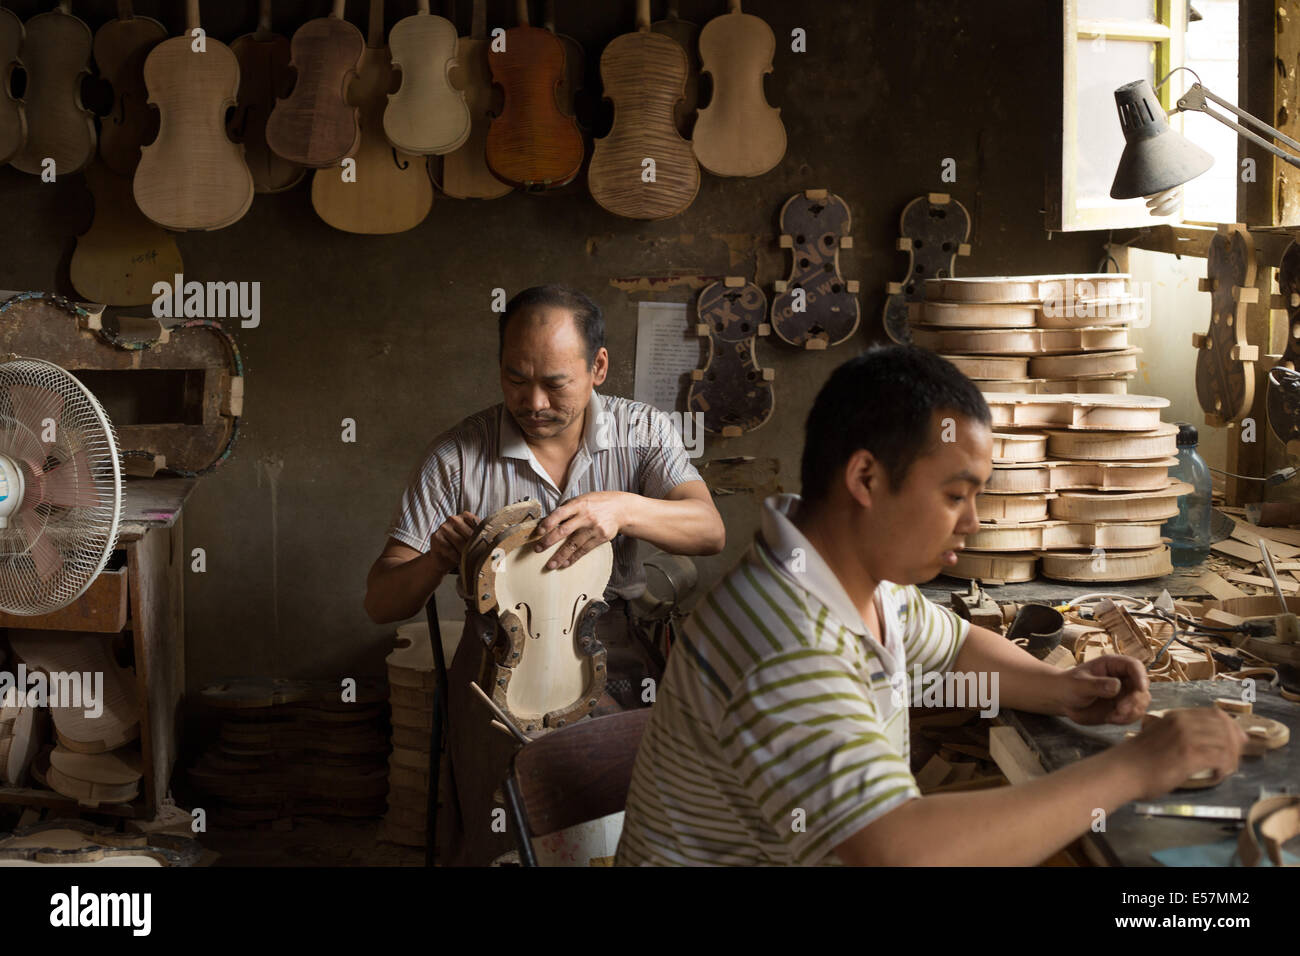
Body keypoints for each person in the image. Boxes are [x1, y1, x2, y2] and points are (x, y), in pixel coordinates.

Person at [616, 344, 1247, 866]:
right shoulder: (785, 641)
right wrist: (1137, 767)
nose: (972, 522)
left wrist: (1063, 688)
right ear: (866, 479)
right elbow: (900, 849)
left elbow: (955, 648)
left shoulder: (854, 575)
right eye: (954, 495)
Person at [365, 284, 725, 866]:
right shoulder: (456, 456)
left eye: (555, 383)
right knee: (507, 832)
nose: (532, 402)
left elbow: (710, 531)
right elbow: (380, 602)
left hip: (614, 650)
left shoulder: (642, 431)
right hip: (498, 664)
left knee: (624, 825)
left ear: (598, 367)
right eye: (515, 379)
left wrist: (623, 508)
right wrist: (435, 560)